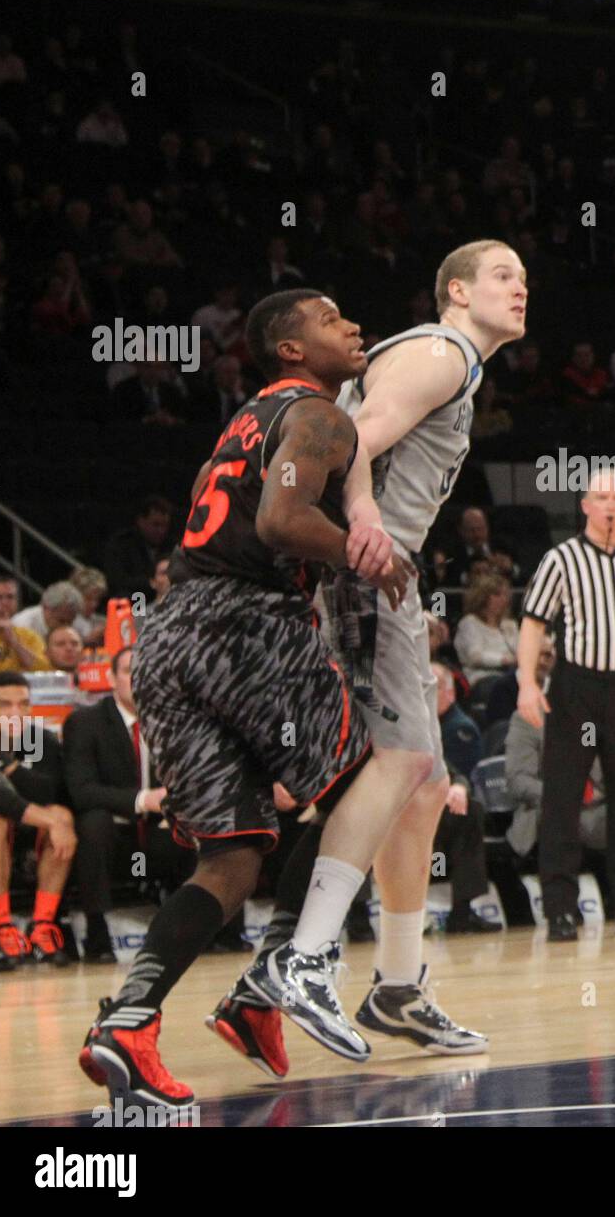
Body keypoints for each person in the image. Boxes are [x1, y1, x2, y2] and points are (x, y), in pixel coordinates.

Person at [79, 288, 424, 1109]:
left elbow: (219, 495)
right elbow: (277, 521)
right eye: (331, 317)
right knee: (374, 781)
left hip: (168, 638)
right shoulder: (317, 413)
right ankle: (282, 968)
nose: (352, 324)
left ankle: (130, 1021)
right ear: (292, 350)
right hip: (244, 624)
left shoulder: (238, 423)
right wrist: (367, 556)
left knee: (233, 853)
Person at [212, 240, 527, 1071]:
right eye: (500, 274)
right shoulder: (440, 350)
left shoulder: (445, 357)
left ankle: (395, 984)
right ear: (454, 292)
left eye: (524, 276)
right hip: (360, 572)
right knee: (403, 760)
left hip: (372, 569)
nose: (519, 286)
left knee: (423, 784)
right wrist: (366, 530)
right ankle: (304, 957)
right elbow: (351, 437)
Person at [517, 468, 615, 941]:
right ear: (585, 505)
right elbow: (533, 622)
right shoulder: (561, 558)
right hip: (575, 686)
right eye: (601, 496)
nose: (609, 504)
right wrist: (526, 682)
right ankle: (561, 909)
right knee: (562, 796)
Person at [505, 619, 615, 892]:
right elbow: (517, 780)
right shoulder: (527, 718)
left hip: (593, 812)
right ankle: (561, 906)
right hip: (551, 808)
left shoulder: (590, 717)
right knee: (560, 815)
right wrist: (562, 794)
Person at [62, 646, 202, 963]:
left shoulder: (175, 720)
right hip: (115, 832)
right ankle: (97, 936)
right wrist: (142, 800)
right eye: (129, 671)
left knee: (203, 819)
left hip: (160, 831)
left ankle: (207, 932)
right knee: (93, 822)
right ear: (111, 678)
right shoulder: (85, 722)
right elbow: (81, 791)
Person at [0, 671, 76, 967]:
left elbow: (47, 791)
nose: (15, 713)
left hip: (28, 827)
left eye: (23, 705)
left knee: (62, 814)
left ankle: (42, 926)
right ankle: (2, 927)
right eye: (4, 705)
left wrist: (6, 764)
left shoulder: (41, 740)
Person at [430, 663, 500, 934]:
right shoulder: (413, 721)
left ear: (449, 694)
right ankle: (358, 919)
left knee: (468, 810)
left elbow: (457, 772)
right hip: (398, 805)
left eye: (433, 689)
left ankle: (462, 911)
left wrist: (459, 786)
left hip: (436, 808)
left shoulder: (460, 728)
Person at [454, 572, 520, 685]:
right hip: (482, 678)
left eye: (505, 595)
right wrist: (504, 660)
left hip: (511, 675)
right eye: (497, 594)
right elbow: (475, 657)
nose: (503, 599)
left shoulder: (510, 625)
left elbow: (518, 653)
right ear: (483, 597)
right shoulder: (470, 623)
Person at [0, 575, 50, 674]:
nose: (5, 602)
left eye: (10, 597)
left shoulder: (29, 636)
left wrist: (14, 643)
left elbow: (45, 670)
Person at [14, 581, 84, 641]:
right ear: (46, 608)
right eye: (61, 621)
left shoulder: (71, 619)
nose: (65, 627)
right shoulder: (22, 625)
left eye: (69, 623)